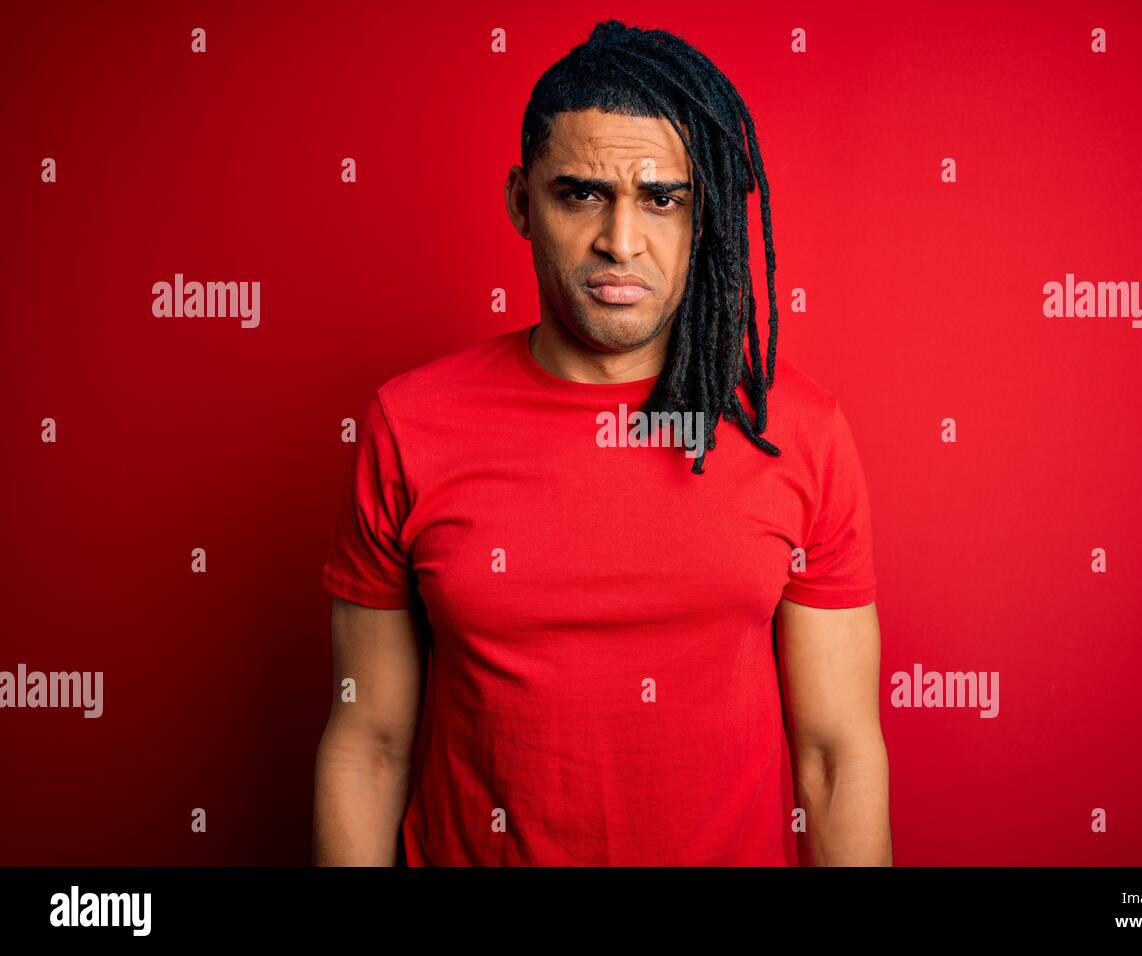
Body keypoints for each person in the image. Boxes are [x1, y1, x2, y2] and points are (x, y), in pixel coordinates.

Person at [312, 19, 891, 866]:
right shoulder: (408, 425)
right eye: (581, 195)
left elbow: (836, 758)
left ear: (707, 215)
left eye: (663, 199)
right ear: (522, 202)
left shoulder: (793, 433)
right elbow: (369, 744)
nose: (621, 241)